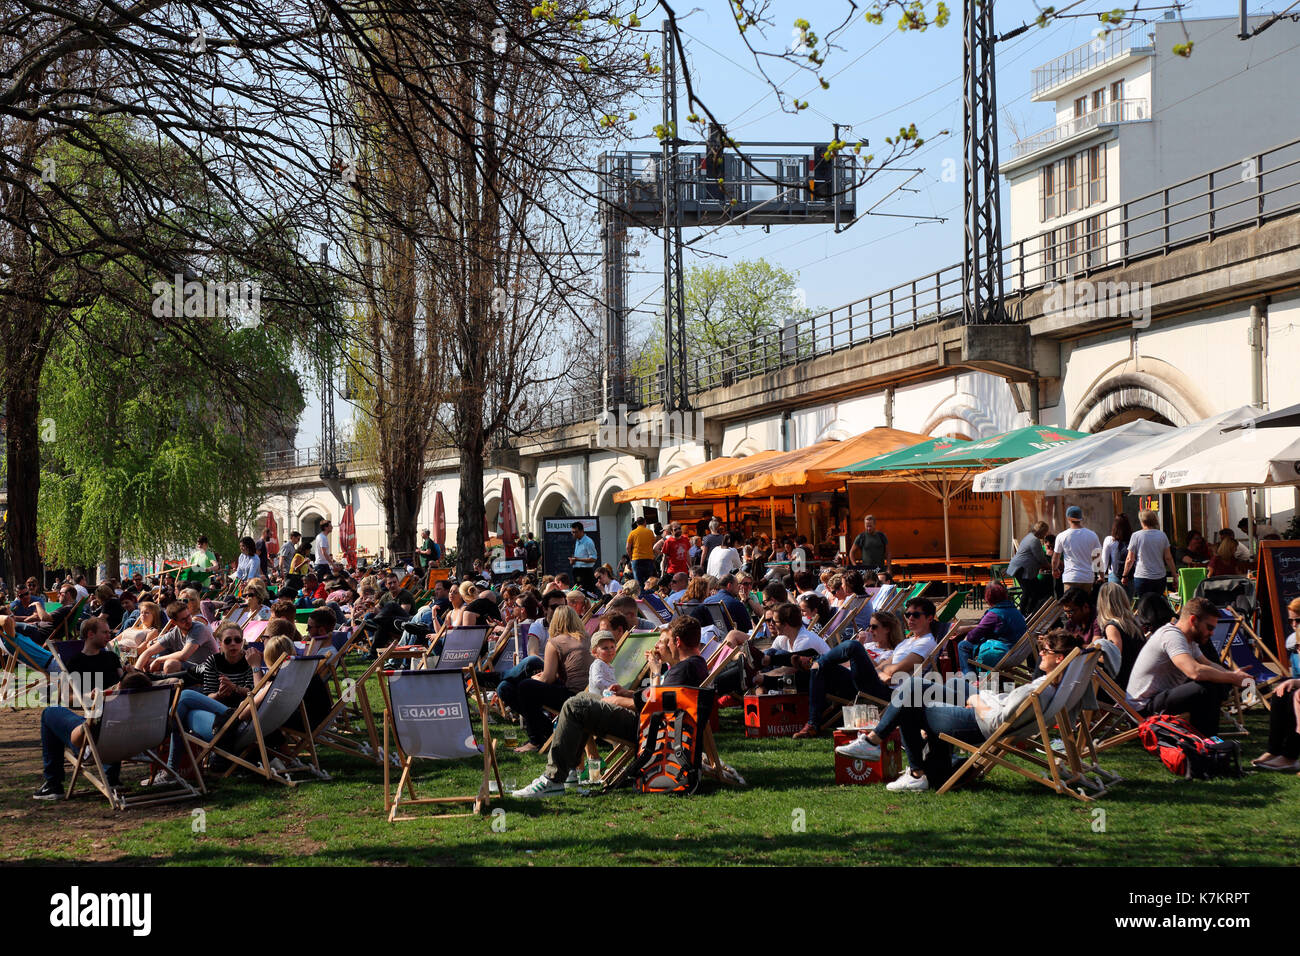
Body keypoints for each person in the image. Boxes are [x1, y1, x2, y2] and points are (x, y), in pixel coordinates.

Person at [835, 628, 1086, 792]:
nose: (1040, 653)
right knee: (940, 684)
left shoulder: (1040, 689)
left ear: (1060, 658)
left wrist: (976, 699)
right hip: (985, 708)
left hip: (980, 721)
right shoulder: (1057, 686)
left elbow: (998, 720)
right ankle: (932, 765)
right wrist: (980, 696)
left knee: (911, 697)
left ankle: (905, 764)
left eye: (1047, 650)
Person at [512, 616, 707, 798]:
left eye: (668, 641)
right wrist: (629, 694)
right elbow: (661, 698)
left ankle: (553, 778)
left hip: (652, 732)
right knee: (582, 698)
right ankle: (568, 771)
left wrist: (623, 698)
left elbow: (657, 706)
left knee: (576, 705)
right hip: (654, 726)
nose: (663, 646)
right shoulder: (692, 665)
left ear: (678, 642)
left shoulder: (684, 668)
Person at [33, 617, 132, 800]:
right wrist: (90, 697)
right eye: (105, 632)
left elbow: (126, 684)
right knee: (101, 715)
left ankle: (53, 784)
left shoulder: (111, 657)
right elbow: (66, 697)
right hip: (124, 735)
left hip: (98, 736)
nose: (109, 636)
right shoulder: (76, 662)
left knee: (49, 713)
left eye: (109, 632)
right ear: (90, 634)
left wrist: (129, 675)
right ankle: (111, 777)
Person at [1126, 596, 1253, 737]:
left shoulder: (1189, 640)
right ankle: (1206, 743)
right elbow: (1195, 671)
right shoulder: (1171, 636)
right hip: (1144, 708)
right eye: (1209, 627)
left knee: (1213, 684)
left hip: (1157, 700)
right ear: (1193, 620)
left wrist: (1234, 675)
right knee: (1205, 689)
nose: (1212, 633)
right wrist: (1231, 678)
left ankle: (1205, 742)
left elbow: (1208, 663)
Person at [792, 609, 908, 738]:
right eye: (869, 626)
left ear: (887, 629)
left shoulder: (895, 652)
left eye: (874, 627)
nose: (870, 630)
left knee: (852, 646)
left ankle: (816, 660)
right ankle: (813, 724)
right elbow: (846, 664)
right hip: (851, 683)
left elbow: (880, 670)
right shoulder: (869, 645)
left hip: (872, 687)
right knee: (819, 668)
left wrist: (861, 649)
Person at [512, 606, 594, 752]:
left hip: (574, 697)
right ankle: (546, 733)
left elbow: (547, 679)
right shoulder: (586, 638)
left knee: (525, 687)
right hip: (592, 693)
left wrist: (535, 679)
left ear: (555, 621)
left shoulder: (555, 642)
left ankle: (536, 740)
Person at [950, 582, 1027, 676]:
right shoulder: (1014, 610)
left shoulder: (994, 614)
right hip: (1015, 652)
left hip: (1000, 653)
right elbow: (988, 627)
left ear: (988, 598)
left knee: (963, 645)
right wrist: (968, 628)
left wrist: (966, 634)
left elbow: (972, 637)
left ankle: (970, 679)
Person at [135, 600, 217, 674]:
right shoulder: (174, 632)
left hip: (208, 670)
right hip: (192, 669)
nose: (188, 621)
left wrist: (158, 660)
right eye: (183, 619)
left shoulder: (198, 628)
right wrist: (135, 673)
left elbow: (183, 655)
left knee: (170, 664)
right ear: (174, 622)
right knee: (147, 662)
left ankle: (175, 688)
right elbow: (147, 652)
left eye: (189, 616)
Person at [1092, 582, 1147, 689]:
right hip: (1137, 678)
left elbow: (1114, 657)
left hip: (1123, 684)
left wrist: (1093, 658)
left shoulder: (1112, 627)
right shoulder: (1132, 622)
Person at [1122, 510, 1176, 598]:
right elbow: (1168, 558)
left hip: (1142, 576)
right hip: (1159, 577)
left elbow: (1130, 559)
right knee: (1157, 603)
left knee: (1144, 603)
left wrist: (1125, 575)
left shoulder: (1136, 536)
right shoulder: (1162, 535)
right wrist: (1174, 575)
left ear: (1142, 521)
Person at [1052, 506, 1100, 595]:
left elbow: (1055, 558)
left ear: (1068, 518)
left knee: (1070, 606)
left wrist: (1054, 569)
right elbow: (1098, 558)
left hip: (1070, 577)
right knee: (1084, 606)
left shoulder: (1062, 536)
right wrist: (1101, 575)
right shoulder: (1092, 535)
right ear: (1081, 518)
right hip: (1087, 577)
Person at [1006, 522, 1051, 613]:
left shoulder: (1029, 537)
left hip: (1021, 568)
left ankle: (1029, 612)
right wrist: (1051, 567)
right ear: (1041, 531)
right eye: (1045, 532)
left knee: (1034, 591)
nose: (1046, 534)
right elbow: (1040, 558)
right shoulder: (1034, 540)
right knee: (1029, 592)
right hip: (1022, 569)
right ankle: (1024, 613)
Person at [1101, 514, 1132, 588]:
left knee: (1114, 599)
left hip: (1115, 576)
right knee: (1128, 599)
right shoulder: (1133, 539)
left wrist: (1101, 576)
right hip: (1130, 577)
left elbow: (1104, 561)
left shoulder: (1109, 540)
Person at [626, 516, 657, 587]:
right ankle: (649, 596)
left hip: (636, 559)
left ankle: (640, 596)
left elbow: (628, 547)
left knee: (638, 582)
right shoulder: (650, 532)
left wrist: (631, 558)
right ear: (645, 523)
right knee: (648, 582)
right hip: (648, 559)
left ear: (637, 524)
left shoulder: (632, 533)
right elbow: (653, 544)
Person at [568, 522, 598, 591]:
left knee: (586, 592)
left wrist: (577, 559)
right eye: (572, 532)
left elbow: (593, 558)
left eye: (576, 532)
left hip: (585, 572)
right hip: (577, 571)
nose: (574, 534)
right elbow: (578, 558)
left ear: (582, 531)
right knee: (577, 592)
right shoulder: (577, 541)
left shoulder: (588, 542)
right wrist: (573, 561)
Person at [587, 629, 618, 696]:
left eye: (612, 647)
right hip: (599, 700)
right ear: (594, 652)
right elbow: (598, 681)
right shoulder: (598, 664)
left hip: (606, 696)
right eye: (605, 648)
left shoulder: (607, 665)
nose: (610, 650)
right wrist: (613, 687)